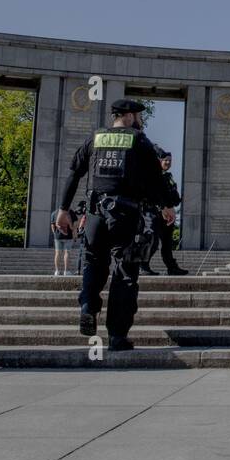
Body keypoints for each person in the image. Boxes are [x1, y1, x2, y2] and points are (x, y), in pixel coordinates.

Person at [54, 99, 175, 351]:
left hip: (95, 215)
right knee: (125, 272)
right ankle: (117, 336)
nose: (140, 121)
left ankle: (88, 306)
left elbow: (74, 174)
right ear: (130, 116)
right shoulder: (138, 140)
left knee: (93, 264)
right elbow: (155, 178)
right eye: (138, 116)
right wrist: (165, 205)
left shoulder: (94, 138)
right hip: (125, 215)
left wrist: (63, 210)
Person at [143, 148, 186, 276]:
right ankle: (143, 265)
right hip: (155, 213)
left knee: (167, 244)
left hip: (168, 216)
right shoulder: (153, 176)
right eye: (165, 160)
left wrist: (178, 199)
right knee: (153, 241)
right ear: (159, 161)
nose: (168, 163)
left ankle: (172, 267)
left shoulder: (169, 177)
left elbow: (172, 195)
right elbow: (152, 195)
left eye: (170, 161)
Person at [51, 207, 74, 276]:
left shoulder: (54, 213)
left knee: (57, 253)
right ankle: (66, 271)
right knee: (67, 253)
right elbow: (75, 224)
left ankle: (57, 271)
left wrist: (55, 234)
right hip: (68, 236)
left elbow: (52, 225)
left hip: (58, 236)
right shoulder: (70, 212)